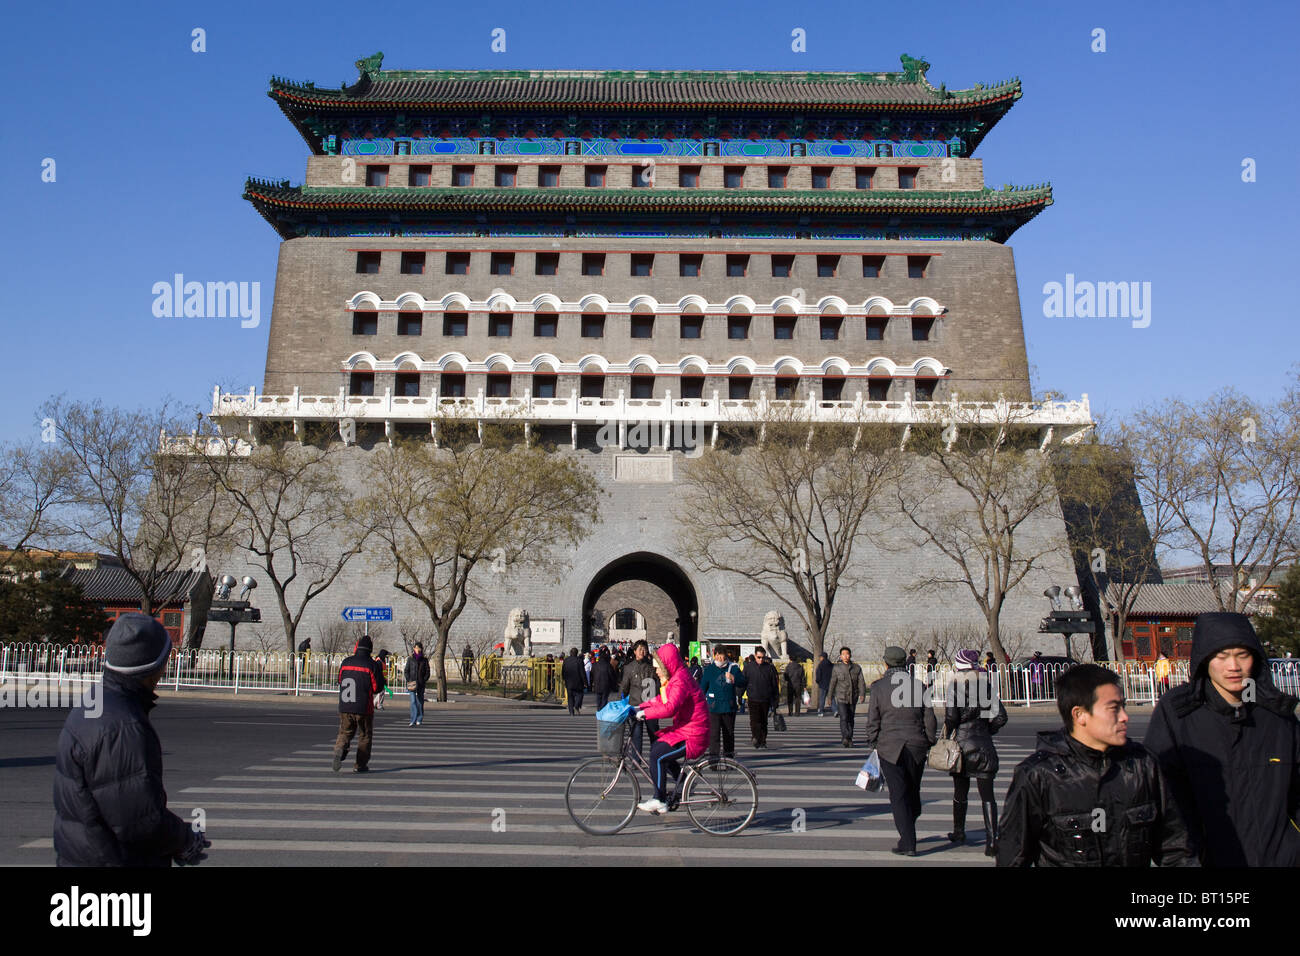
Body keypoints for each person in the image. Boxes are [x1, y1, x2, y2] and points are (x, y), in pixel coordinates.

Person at [998, 664, 1194, 867]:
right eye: (1113, 709)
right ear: (1079, 715)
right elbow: (1012, 857)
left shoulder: (1143, 766)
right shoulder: (1039, 775)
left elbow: (1176, 849)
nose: (1125, 717)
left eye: (1123, 706)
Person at [54, 613, 210, 867]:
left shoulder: (97, 701)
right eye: (166, 659)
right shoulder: (122, 728)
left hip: (86, 854)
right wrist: (184, 840)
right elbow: (138, 821)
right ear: (152, 667)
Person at [1145, 612, 1300, 867]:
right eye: (1222, 656)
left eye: (1242, 655)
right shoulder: (1177, 712)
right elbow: (1160, 798)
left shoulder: (1277, 715)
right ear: (1205, 659)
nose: (1233, 667)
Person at [862, 646, 937, 856]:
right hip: (916, 746)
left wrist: (873, 741)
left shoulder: (878, 688)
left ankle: (908, 841)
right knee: (913, 789)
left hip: (890, 747)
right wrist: (929, 740)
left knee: (898, 794)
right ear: (905, 663)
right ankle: (909, 829)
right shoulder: (919, 686)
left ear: (886, 664)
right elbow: (929, 718)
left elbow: (873, 719)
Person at [944, 649, 1008, 856]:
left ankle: (958, 832)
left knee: (960, 792)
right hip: (985, 746)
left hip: (962, 747)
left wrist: (949, 731)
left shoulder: (954, 687)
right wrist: (986, 731)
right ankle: (992, 842)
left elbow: (952, 718)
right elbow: (1001, 718)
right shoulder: (985, 687)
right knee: (988, 796)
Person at [633, 643, 709, 814]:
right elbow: (662, 700)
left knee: (657, 755)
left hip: (694, 733)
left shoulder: (680, 680)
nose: (657, 672)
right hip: (687, 728)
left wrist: (646, 714)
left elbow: (670, 708)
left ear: (667, 664)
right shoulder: (677, 677)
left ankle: (659, 799)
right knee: (658, 746)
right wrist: (641, 707)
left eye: (658, 668)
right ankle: (682, 780)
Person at [333, 636, 386, 773]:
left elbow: (340, 680)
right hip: (363, 707)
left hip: (345, 705)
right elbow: (377, 688)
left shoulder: (346, 662)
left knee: (345, 732)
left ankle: (340, 748)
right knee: (364, 735)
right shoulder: (371, 665)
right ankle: (360, 765)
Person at [700, 645, 747, 761]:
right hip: (713, 708)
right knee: (714, 735)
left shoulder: (733, 668)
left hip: (728, 707)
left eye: (722, 657)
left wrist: (734, 678)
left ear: (726, 656)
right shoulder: (709, 669)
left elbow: (743, 682)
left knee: (729, 735)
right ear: (714, 656)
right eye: (718, 657)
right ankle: (713, 760)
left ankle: (729, 759)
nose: (720, 660)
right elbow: (702, 688)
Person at [620, 639, 660, 754]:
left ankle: (657, 758)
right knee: (636, 735)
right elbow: (624, 687)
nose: (642, 652)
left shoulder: (652, 667)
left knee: (654, 734)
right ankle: (636, 761)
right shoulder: (629, 668)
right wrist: (621, 704)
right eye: (640, 649)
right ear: (635, 651)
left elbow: (658, 683)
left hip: (651, 706)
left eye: (644, 649)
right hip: (635, 706)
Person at [827, 646, 866, 747]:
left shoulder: (856, 668)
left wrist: (862, 694)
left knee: (851, 718)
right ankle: (845, 737)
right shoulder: (836, 668)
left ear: (850, 655)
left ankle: (849, 737)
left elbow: (861, 682)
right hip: (841, 697)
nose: (845, 656)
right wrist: (829, 696)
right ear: (840, 656)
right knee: (844, 717)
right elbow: (832, 682)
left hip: (853, 696)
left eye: (847, 654)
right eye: (843, 654)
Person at [742, 647, 779, 748]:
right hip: (753, 698)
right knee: (754, 720)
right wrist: (739, 695)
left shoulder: (769, 668)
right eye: (759, 657)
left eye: (763, 657)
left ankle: (763, 740)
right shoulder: (749, 667)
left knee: (763, 721)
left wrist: (776, 699)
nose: (761, 659)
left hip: (765, 698)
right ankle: (756, 737)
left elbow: (774, 685)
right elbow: (743, 682)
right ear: (755, 656)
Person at [405, 641, 430, 727]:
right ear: (414, 649)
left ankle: (419, 718)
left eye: (419, 648)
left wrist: (423, 679)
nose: (417, 650)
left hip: (420, 683)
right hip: (412, 682)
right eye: (416, 648)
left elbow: (427, 672)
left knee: (420, 701)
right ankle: (413, 719)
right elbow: (406, 671)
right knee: (413, 701)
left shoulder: (424, 660)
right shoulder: (410, 659)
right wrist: (408, 679)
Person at [562, 647, 586, 715]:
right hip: (578, 682)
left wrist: (564, 679)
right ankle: (576, 705)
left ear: (570, 653)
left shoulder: (566, 660)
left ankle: (571, 712)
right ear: (577, 653)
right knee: (580, 694)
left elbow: (563, 671)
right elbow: (582, 672)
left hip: (568, 682)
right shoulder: (579, 660)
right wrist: (585, 682)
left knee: (570, 697)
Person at [814, 652, 834, 717]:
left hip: (823, 684)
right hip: (831, 683)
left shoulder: (820, 665)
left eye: (820, 657)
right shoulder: (831, 664)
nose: (820, 658)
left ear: (822, 657)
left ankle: (821, 712)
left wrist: (818, 681)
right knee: (831, 697)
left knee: (822, 698)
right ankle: (836, 710)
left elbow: (818, 675)